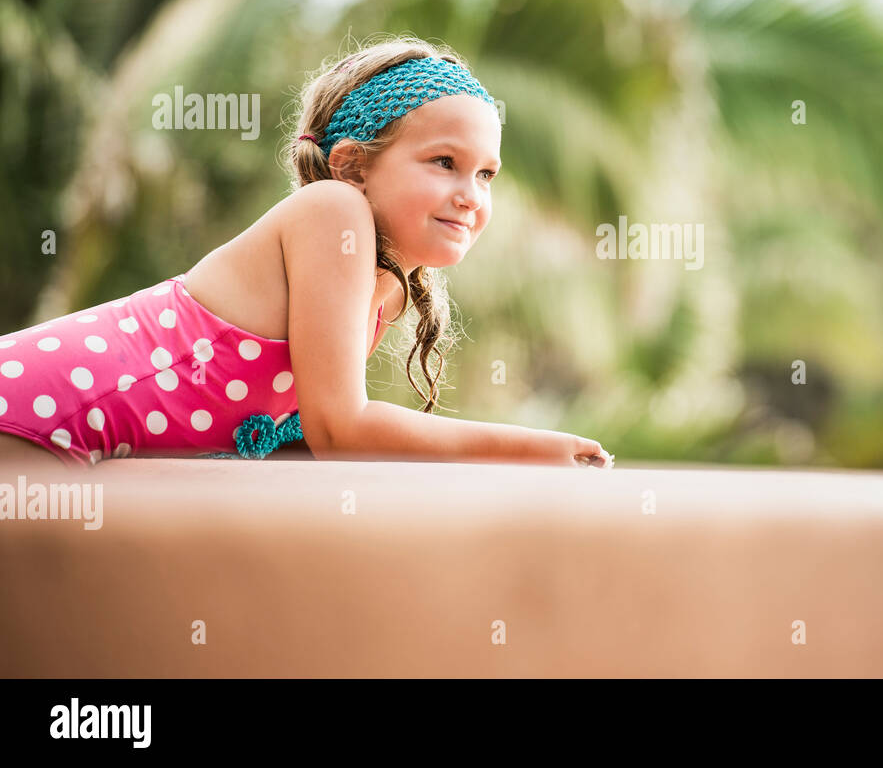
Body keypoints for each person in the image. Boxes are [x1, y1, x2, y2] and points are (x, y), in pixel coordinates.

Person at [0, 36, 612, 472]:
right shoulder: (333, 213)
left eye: (486, 175)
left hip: (59, 438)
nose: (469, 195)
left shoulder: (380, 288)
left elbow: (297, 444)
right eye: (444, 163)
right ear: (352, 165)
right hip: (31, 413)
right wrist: (535, 448)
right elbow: (339, 429)